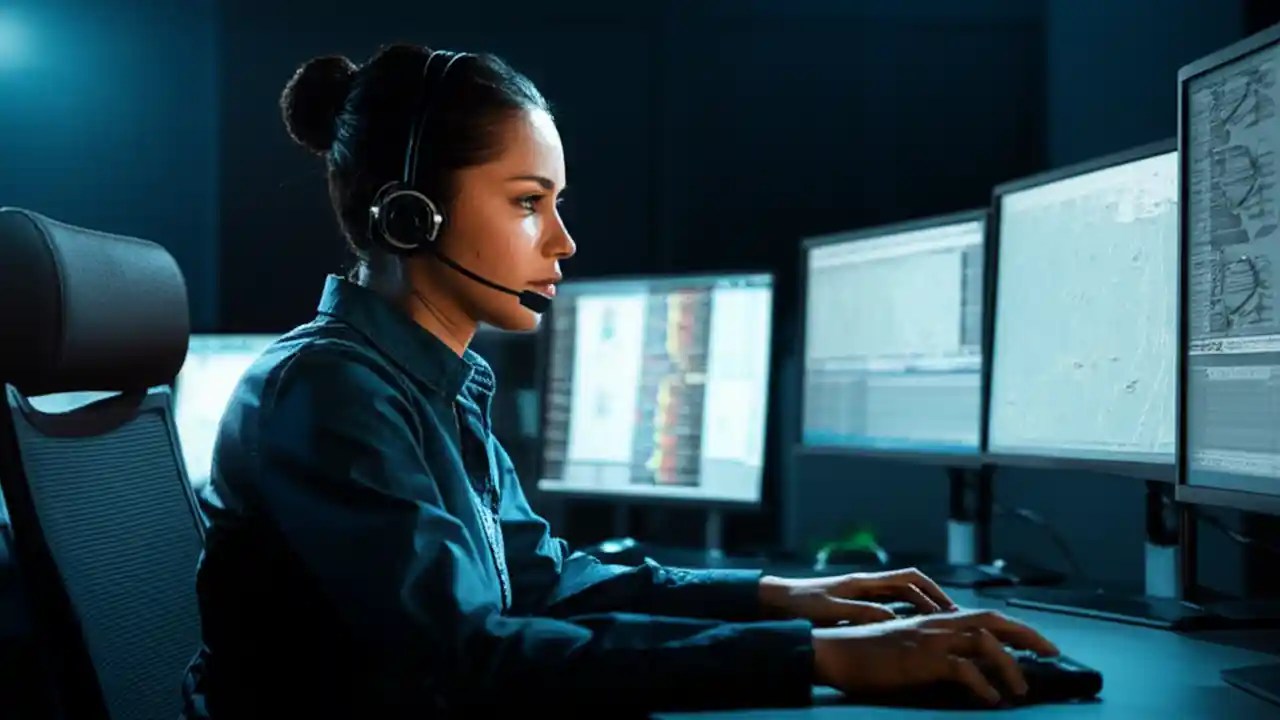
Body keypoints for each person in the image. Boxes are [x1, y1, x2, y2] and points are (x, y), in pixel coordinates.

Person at [181, 43, 1061, 718]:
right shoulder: (328, 394)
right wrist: (819, 658)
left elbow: (543, 582)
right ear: (411, 214)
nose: (561, 241)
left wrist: (788, 598)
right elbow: (465, 658)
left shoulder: (430, 382)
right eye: (529, 202)